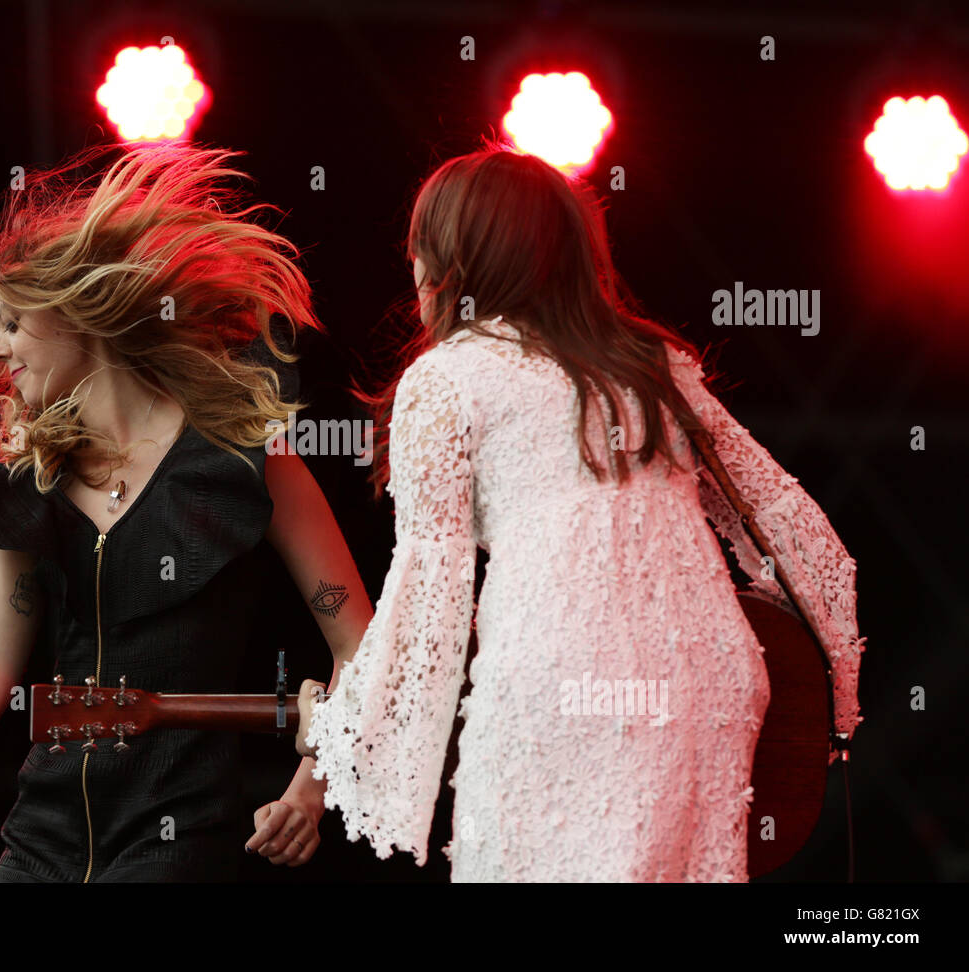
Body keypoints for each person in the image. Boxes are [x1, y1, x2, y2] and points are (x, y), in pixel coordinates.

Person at [293, 144, 865, 882]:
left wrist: (339, 733)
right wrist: (835, 698)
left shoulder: (448, 379)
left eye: (419, 250)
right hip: (706, 685)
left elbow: (427, 600)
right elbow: (788, 519)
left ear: (454, 263)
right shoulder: (653, 367)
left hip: (554, 685)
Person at [0, 142, 374, 881]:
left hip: (177, 844)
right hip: (40, 846)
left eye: (11, 323)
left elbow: (363, 650)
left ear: (76, 313)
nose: (0, 351)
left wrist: (310, 792)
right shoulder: (28, 491)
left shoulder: (248, 466)